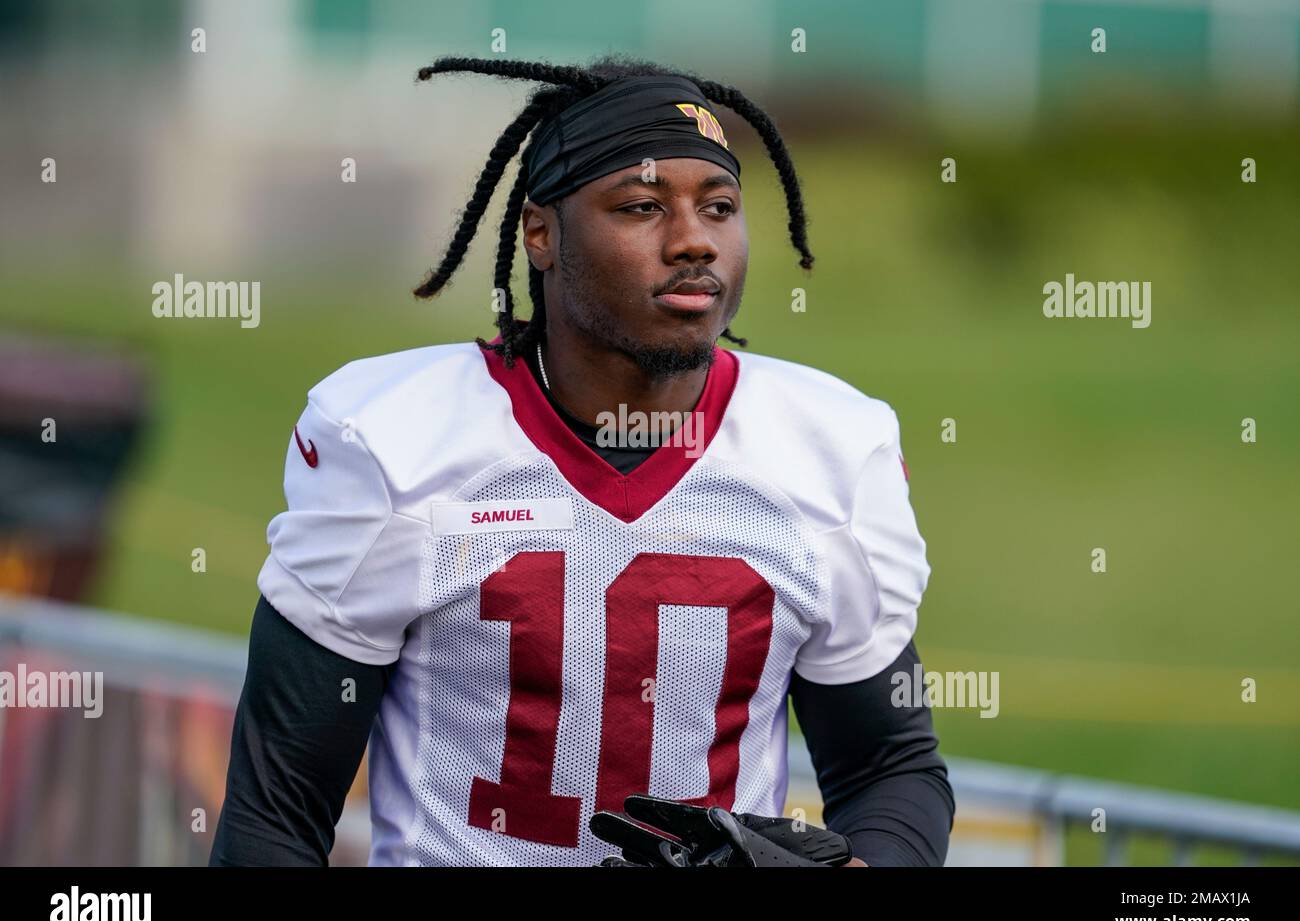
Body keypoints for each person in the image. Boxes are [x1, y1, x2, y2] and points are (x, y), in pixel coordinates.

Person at [210, 55, 953, 867]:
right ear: (541, 233)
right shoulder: (395, 442)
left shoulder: (828, 450)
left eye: (719, 206)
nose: (694, 240)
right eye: (641, 206)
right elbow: (278, 810)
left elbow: (890, 766)